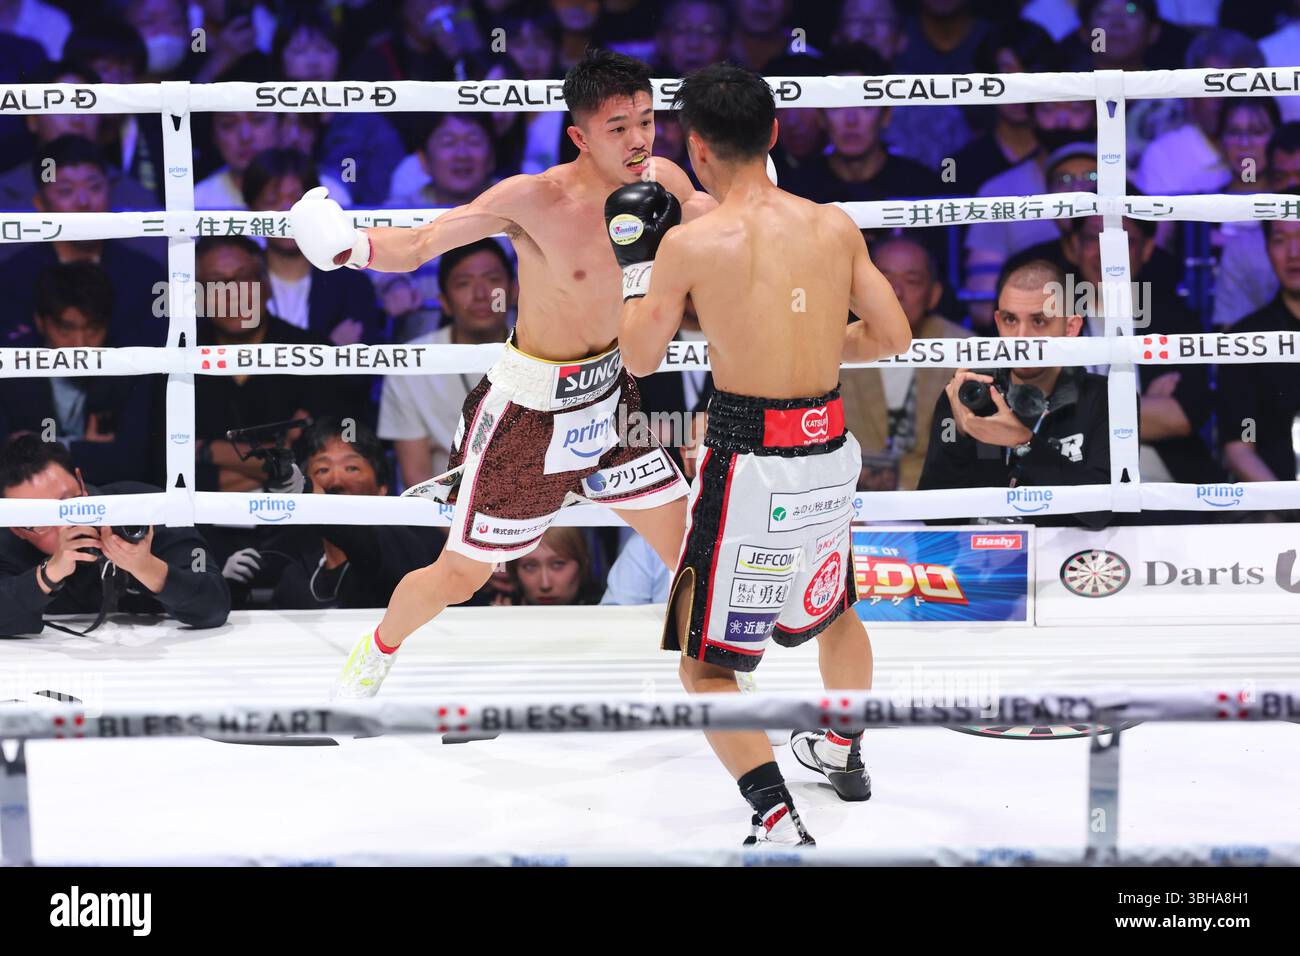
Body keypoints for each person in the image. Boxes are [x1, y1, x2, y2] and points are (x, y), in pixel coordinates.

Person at [291, 49, 709, 697]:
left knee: (687, 541)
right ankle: (376, 650)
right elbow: (428, 241)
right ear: (579, 135)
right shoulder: (533, 199)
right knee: (463, 577)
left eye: (647, 121)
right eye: (618, 127)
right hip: (529, 412)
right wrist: (352, 248)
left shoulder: (662, 181)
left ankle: (711, 679)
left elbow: (712, 221)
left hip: (611, 396)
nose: (638, 139)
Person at [611, 63, 911, 846]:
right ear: (775, 134)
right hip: (830, 449)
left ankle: (776, 818)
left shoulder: (687, 241)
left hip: (746, 459)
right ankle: (843, 753)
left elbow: (640, 360)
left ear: (696, 149)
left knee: (704, 662)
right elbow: (893, 338)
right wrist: (811, 344)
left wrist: (634, 265)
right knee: (836, 607)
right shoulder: (833, 224)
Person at [917, 258, 1113, 529]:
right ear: (998, 322)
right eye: (1010, 319)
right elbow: (935, 516)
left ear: (1071, 327)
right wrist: (961, 440)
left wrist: (1024, 443)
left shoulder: (1106, 398)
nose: (1021, 337)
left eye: (1039, 321)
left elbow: (1103, 514)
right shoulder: (970, 394)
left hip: (1068, 563)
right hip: (982, 562)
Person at [0, 435, 230, 636]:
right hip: (51, 672)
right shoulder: (7, 544)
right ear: (17, 529)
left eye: (70, 504)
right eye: (43, 521)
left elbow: (214, 606)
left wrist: (145, 567)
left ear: (80, 481)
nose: (65, 526)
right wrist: (49, 573)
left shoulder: (141, 505)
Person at [223, 417, 447, 609]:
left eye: (352, 468)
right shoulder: (296, 576)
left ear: (382, 488)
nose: (336, 481)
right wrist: (231, 590)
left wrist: (309, 493)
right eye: (322, 469)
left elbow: (365, 544)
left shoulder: (408, 546)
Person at [840, 236, 970, 492]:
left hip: (934, 503)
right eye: (884, 279)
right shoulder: (833, 345)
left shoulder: (963, 348)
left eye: (911, 281)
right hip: (850, 505)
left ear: (934, 295)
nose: (896, 292)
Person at [507, 526, 603, 605]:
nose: (545, 584)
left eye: (558, 564)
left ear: (584, 564)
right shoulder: (496, 616)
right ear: (514, 570)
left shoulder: (612, 614)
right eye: (530, 567)